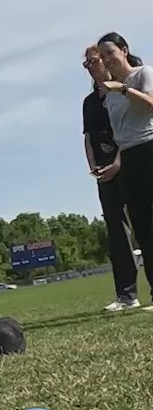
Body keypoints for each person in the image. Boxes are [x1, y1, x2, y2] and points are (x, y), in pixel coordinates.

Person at [85, 38, 143, 311]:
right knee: (117, 233)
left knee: (144, 225)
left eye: (94, 61)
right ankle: (126, 295)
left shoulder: (123, 90)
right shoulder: (90, 101)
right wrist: (94, 166)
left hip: (129, 163)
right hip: (105, 173)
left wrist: (118, 163)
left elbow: (127, 132)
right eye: (87, 64)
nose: (92, 67)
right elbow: (88, 137)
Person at [96, 35, 153, 305]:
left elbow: (150, 105)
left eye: (110, 53)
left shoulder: (143, 74)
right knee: (142, 227)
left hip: (149, 148)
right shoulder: (108, 94)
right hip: (129, 158)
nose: (107, 60)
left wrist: (123, 89)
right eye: (103, 56)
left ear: (124, 51)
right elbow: (120, 133)